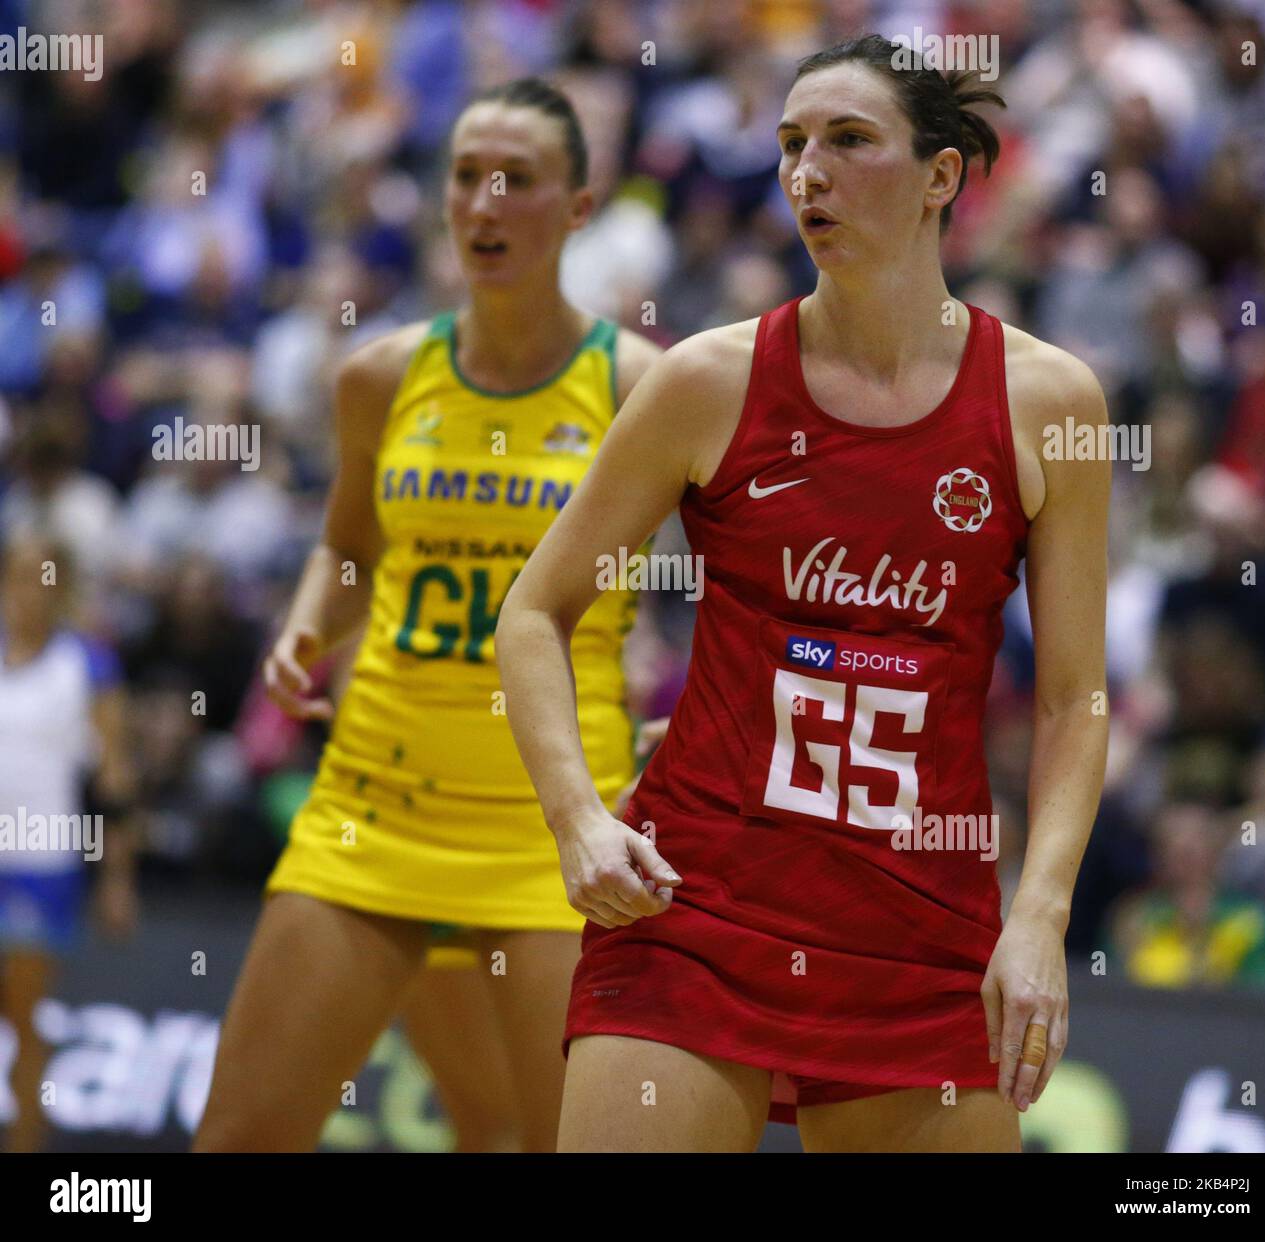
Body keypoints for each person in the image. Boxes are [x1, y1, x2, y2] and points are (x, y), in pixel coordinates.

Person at [495, 35, 1111, 1153]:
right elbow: (534, 613)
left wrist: (1040, 916)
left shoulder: (1047, 403)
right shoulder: (705, 380)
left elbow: (1076, 702)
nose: (804, 172)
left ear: (940, 178)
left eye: (846, 140)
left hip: (923, 930)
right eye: (788, 145)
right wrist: (578, 819)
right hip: (695, 908)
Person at [194, 78, 661, 1153]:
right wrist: (309, 623)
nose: (485, 203)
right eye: (464, 177)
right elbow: (350, 548)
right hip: (374, 798)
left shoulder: (639, 385)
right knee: (236, 1141)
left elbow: (729, 584)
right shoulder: (379, 375)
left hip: (555, 825)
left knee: (532, 1140)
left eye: (518, 180)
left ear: (579, 208)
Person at [0, 530, 137, 1152]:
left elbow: (115, 779)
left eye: (41, 576)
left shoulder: (87, 663)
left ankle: (26, 1146)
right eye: (18, 574)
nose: (27, 590)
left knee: (22, 1018)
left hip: (42, 862)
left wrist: (116, 879)